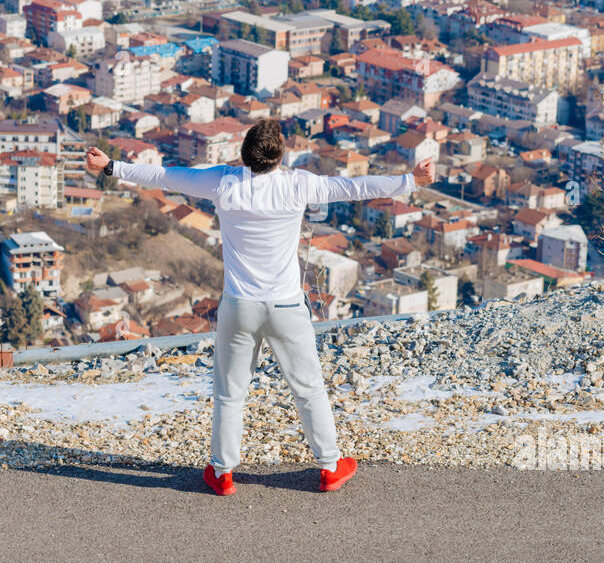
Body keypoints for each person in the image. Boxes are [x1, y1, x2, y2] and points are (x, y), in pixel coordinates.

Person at [86, 119, 435, 496]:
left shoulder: (223, 182)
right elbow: (356, 187)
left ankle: (222, 473)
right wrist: (412, 180)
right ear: (279, 155)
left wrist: (111, 166)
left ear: (243, 154)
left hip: (239, 305)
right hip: (285, 305)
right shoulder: (298, 184)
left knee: (230, 392)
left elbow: (168, 176)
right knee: (308, 389)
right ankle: (330, 466)